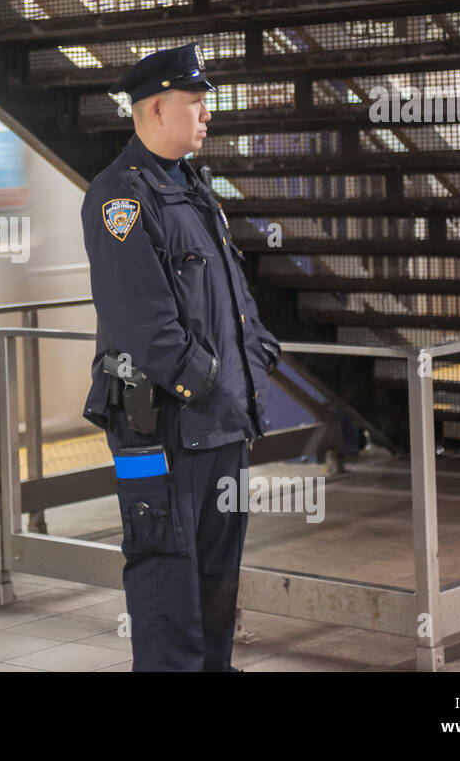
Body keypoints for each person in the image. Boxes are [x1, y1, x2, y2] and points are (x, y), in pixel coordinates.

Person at [80, 41, 280, 672]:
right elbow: (143, 323)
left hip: (219, 427)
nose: (206, 115)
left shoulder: (191, 189)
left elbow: (232, 298)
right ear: (155, 109)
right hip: (158, 433)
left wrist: (257, 359)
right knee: (168, 580)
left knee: (218, 581)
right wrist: (211, 381)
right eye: (195, 104)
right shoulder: (120, 200)